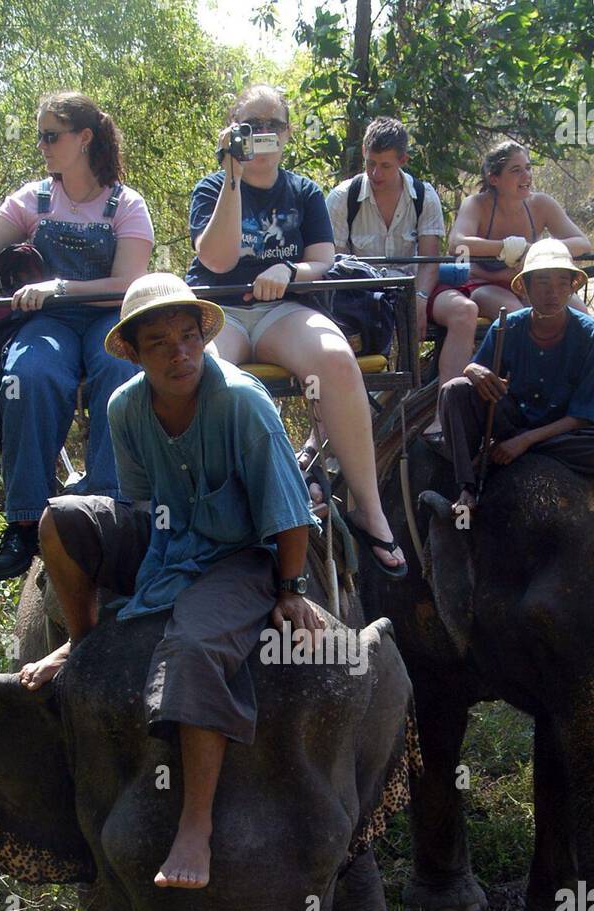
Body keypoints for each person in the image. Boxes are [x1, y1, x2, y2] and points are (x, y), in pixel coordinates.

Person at [17, 273, 323, 889]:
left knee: (192, 647)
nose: (180, 353)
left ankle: (196, 824)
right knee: (62, 519)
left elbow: (289, 513)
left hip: (240, 553)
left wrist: (289, 588)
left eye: (189, 337)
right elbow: (139, 504)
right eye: (160, 343)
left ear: (205, 339)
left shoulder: (243, 402)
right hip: (165, 540)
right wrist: (139, 567)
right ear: (131, 351)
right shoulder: (124, 406)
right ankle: (85, 642)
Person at [185, 83, 407, 579]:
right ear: (233, 133)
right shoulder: (210, 188)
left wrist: (288, 270)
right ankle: (225, 502)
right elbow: (216, 258)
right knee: (211, 373)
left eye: (273, 125)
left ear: (287, 134)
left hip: (283, 310)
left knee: (335, 358)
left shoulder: (303, 191)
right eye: (251, 126)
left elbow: (323, 261)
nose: (263, 134)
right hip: (220, 310)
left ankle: (367, 507)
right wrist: (232, 176)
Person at [0, 91, 154, 580]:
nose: (41, 145)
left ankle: (112, 502)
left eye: (50, 135)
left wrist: (60, 286)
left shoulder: (125, 204)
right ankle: (22, 517)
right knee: (26, 374)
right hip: (49, 324)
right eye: (39, 135)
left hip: (105, 315)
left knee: (121, 369)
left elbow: (127, 284)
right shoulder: (33, 199)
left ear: (84, 138)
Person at [438, 240, 594, 511]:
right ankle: (467, 486)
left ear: (573, 286)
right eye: (543, 283)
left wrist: (523, 442)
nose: (553, 293)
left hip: (561, 433)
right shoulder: (508, 326)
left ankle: (492, 458)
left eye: (562, 283)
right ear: (524, 287)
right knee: (454, 389)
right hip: (513, 420)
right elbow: (480, 375)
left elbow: (586, 415)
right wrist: (472, 369)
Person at [325, 115, 475, 443]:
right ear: (363, 154)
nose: (376, 174)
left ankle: (443, 417)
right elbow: (332, 266)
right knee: (325, 338)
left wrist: (419, 301)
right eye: (370, 164)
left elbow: (429, 260)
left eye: (385, 166)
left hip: (413, 287)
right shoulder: (342, 197)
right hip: (360, 297)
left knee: (465, 313)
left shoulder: (424, 196)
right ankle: (322, 434)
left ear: (403, 161)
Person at [441, 140, 592, 326]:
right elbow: (457, 244)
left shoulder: (541, 204)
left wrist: (534, 250)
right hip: (485, 285)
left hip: (532, 284)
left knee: (581, 315)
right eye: (516, 170)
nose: (526, 176)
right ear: (494, 179)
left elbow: (583, 243)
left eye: (528, 168)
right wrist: (508, 247)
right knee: (517, 316)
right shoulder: (476, 205)